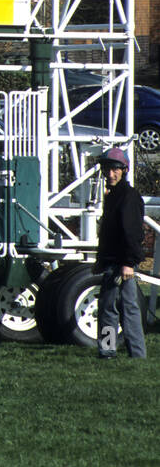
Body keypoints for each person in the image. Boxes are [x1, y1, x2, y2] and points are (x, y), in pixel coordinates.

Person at [94, 147, 147, 359]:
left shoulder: (128, 196)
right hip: (112, 262)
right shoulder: (113, 195)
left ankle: (111, 352)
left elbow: (132, 232)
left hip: (121, 264)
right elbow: (108, 232)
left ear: (124, 170)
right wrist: (100, 260)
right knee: (122, 308)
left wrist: (128, 262)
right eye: (107, 169)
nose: (110, 173)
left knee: (113, 309)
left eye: (115, 169)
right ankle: (134, 353)